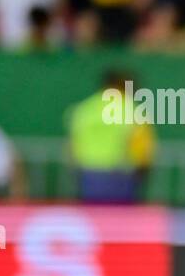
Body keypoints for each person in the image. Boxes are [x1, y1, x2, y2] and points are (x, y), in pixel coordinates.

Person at [65, 69, 155, 203]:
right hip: (121, 175)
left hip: (88, 174)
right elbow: (142, 149)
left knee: (95, 219)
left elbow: (72, 145)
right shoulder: (132, 109)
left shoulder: (83, 109)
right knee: (120, 220)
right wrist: (143, 172)